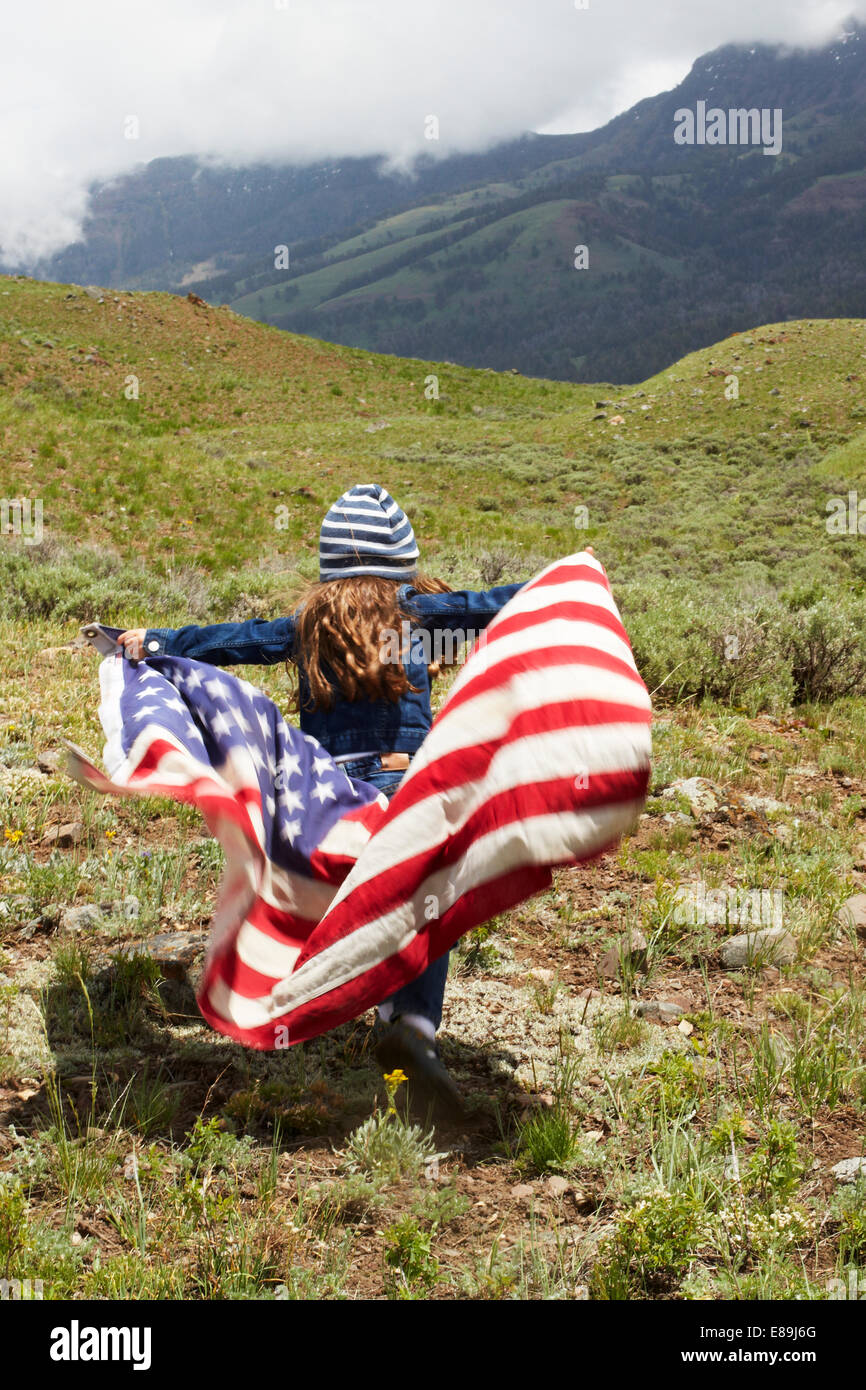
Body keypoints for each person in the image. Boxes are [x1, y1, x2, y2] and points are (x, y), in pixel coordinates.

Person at [119, 483, 524, 1116]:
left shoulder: (308, 626)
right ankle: (412, 1027)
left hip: (328, 800)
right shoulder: (412, 619)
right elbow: (493, 606)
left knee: (351, 906)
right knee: (425, 900)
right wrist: (569, 585)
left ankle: (311, 999)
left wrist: (157, 641)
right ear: (401, 561)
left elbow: (236, 641)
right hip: (399, 788)